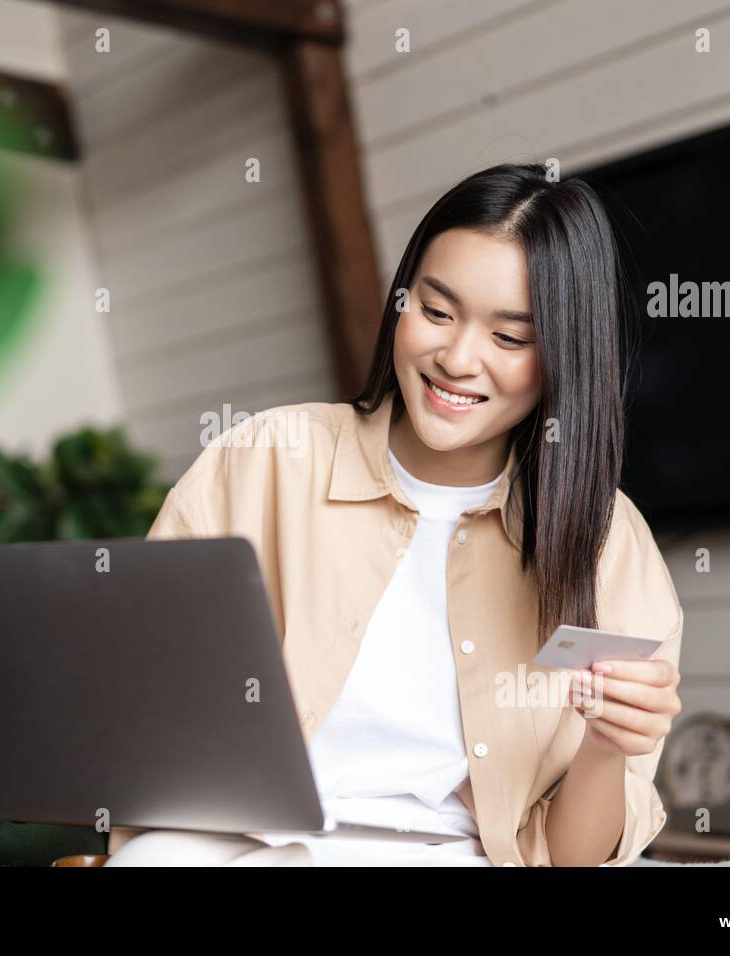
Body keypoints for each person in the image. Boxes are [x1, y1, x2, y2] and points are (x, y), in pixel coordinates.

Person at [105, 163, 684, 867]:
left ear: (564, 357)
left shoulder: (608, 545)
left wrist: (607, 744)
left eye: (509, 338)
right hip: (232, 844)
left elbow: (567, 861)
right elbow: (138, 701)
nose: (457, 359)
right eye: (437, 312)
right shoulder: (266, 458)